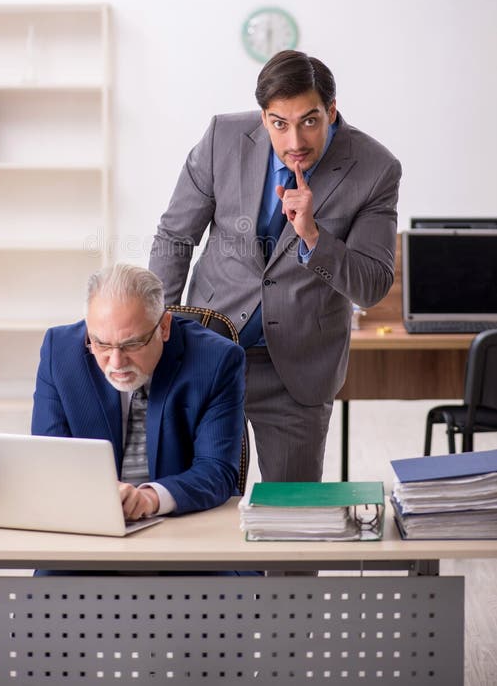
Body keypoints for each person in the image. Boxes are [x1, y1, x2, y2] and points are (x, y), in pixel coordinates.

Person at [150, 49, 401, 482]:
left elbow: (372, 285)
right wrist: (159, 326)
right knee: (193, 503)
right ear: (263, 116)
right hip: (206, 351)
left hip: (297, 371)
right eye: (278, 123)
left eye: (309, 120)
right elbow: (175, 237)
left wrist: (314, 238)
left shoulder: (375, 169)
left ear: (331, 110)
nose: (295, 142)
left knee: (292, 521)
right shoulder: (222, 138)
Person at [31, 263, 245, 520]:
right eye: (101, 343)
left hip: (181, 524)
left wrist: (150, 498)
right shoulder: (60, 352)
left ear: (164, 327)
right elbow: (50, 460)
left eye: (132, 344)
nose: (117, 362)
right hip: (88, 521)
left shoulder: (216, 360)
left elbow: (217, 470)